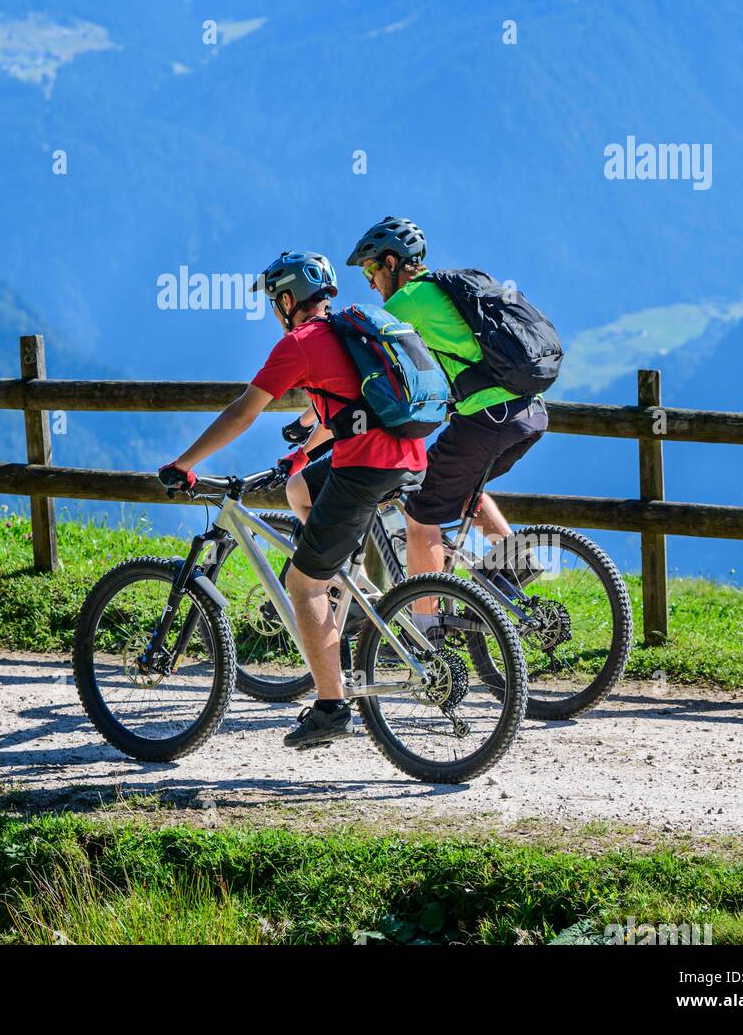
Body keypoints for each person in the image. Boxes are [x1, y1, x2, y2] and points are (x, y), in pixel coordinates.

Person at [158, 250, 425, 748]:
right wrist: (299, 460)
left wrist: (185, 463)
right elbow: (345, 411)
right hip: (409, 458)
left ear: (286, 300)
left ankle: (330, 707)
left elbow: (243, 412)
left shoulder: (302, 343)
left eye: (273, 302)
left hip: (364, 466)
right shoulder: (355, 330)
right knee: (301, 489)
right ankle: (352, 587)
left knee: (303, 586)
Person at [346, 217, 549, 577]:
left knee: (419, 515)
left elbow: (363, 359)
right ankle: (516, 565)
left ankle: (427, 629)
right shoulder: (443, 289)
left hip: (488, 420)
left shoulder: (408, 300)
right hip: (528, 414)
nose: (371, 284)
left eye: (370, 272)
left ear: (390, 263)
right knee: (462, 488)